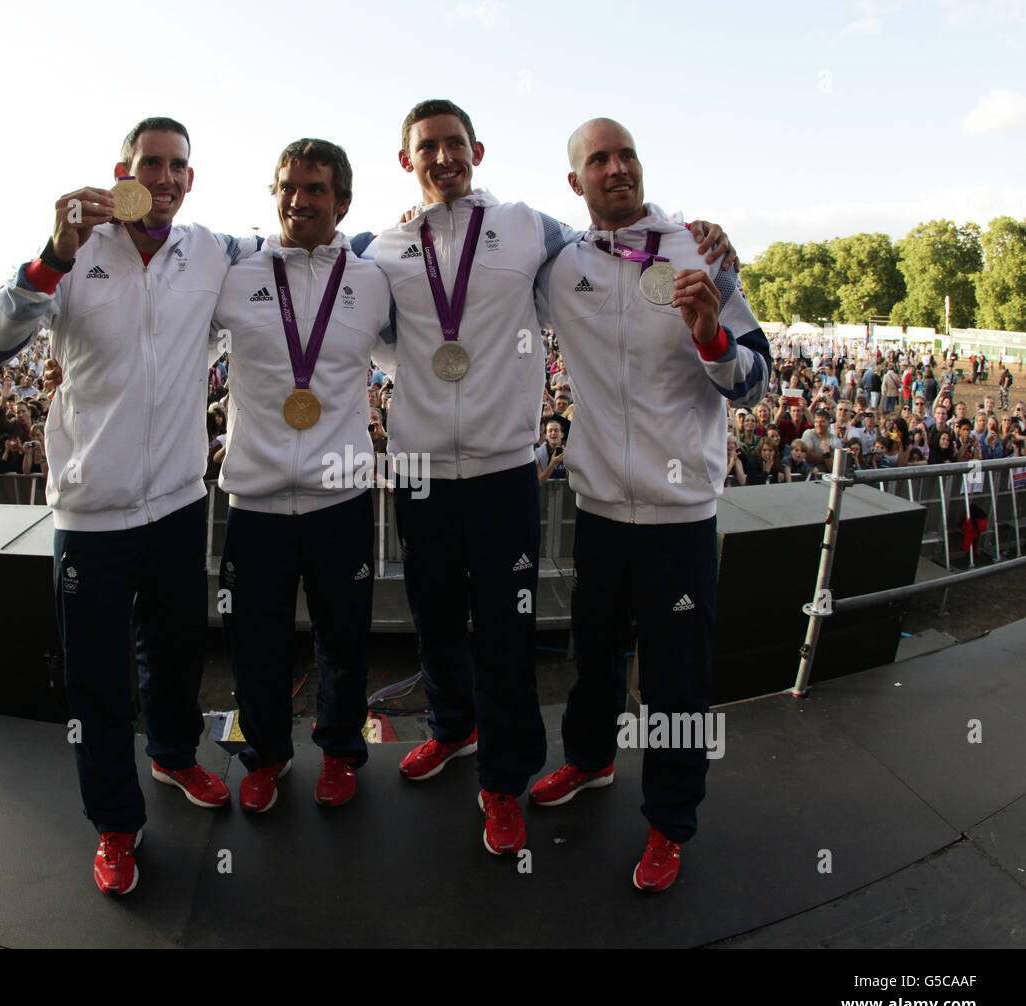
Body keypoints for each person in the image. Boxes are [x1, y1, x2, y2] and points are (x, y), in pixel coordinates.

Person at [357, 99, 736, 857]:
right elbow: (365, 331)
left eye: (455, 143)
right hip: (423, 470)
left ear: (478, 150)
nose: (443, 157)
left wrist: (711, 246)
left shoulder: (533, 229)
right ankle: (454, 730)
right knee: (438, 617)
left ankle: (504, 781)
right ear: (406, 161)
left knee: (505, 632)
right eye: (427, 146)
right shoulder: (381, 247)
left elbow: (621, 238)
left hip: (506, 470)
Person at [0, 116, 256, 896]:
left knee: (175, 652)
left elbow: (302, 252)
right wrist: (53, 254)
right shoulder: (77, 251)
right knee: (96, 678)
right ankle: (114, 824)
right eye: (150, 164)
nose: (163, 178)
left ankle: (171, 755)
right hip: (91, 510)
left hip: (175, 500)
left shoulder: (212, 252)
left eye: (176, 167)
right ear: (122, 169)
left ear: (190, 180)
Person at [531, 117, 769, 892]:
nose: (616, 167)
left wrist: (712, 338)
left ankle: (670, 821)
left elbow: (755, 379)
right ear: (576, 183)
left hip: (679, 516)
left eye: (626, 153)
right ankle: (592, 760)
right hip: (600, 507)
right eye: (598, 158)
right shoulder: (560, 269)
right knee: (592, 656)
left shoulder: (700, 253)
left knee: (677, 680)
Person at [211, 138, 392, 813]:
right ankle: (266, 754)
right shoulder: (238, 272)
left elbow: (421, 348)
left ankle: (341, 749)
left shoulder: (372, 279)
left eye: (316, 188)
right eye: (288, 186)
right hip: (256, 497)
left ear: (342, 201)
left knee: (343, 637)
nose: (299, 199)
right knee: (255, 642)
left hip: (339, 495)